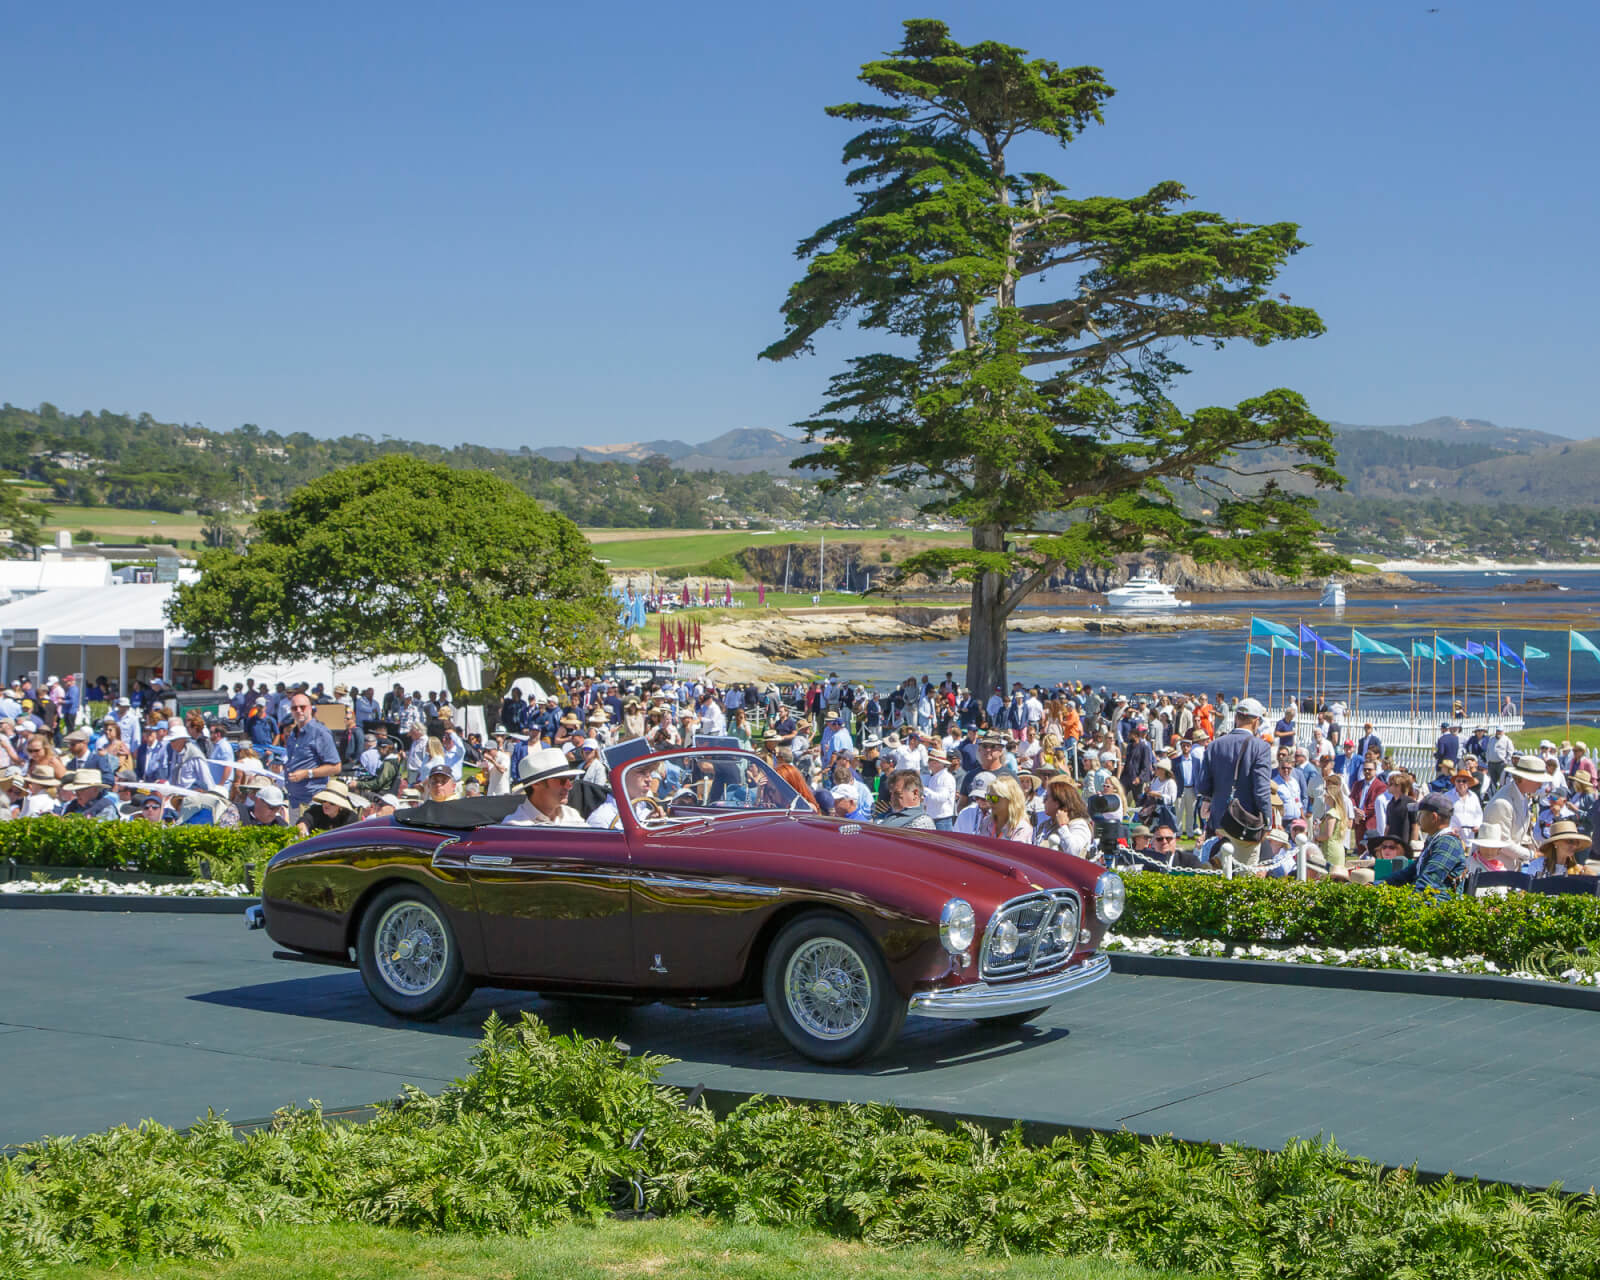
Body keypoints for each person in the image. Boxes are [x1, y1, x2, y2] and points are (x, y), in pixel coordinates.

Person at [1195, 696, 1273, 866]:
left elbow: (1204, 786)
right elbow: (1261, 790)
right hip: (1245, 822)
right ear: (1256, 721)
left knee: (1219, 874)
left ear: (1237, 717)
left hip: (1218, 821)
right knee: (1244, 876)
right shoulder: (1261, 747)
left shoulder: (1215, 745)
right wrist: (1268, 821)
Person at [1381, 791, 1466, 897]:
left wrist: (1402, 900)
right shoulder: (1434, 840)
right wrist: (1378, 885)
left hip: (1438, 907)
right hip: (1424, 903)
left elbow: (1428, 882)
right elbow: (1409, 873)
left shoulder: (1447, 843)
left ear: (1433, 817)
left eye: (1420, 814)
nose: (1417, 818)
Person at [282, 693, 341, 817]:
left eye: (302, 707)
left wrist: (307, 773)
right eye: (294, 708)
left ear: (310, 708)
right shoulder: (293, 734)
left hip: (313, 801)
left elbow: (336, 767)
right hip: (294, 800)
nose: (298, 711)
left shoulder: (320, 732)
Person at [504, 747, 585, 825]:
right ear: (536, 784)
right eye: (562, 780)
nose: (569, 786)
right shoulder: (515, 827)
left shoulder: (573, 816)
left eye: (571, 779)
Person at [1034, 776, 1092, 858]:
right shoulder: (1045, 825)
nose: (1043, 801)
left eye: (1046, 798)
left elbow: (1073, 852)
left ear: (1058, 801)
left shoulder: (1078, 824)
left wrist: (1063, 826)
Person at [1524, 819, 1596, 880]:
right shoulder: (1538, 865)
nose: (1574, 846)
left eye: (1577, 842)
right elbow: (1527, 891)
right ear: (1555, 842)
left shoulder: (1579, 871)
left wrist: (1592, 878)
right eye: (1570, 841)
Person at [979, 774, 1033, 843]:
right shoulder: (986, 822)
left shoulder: (1021, 828)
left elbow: (1015, 853)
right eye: (988, 797)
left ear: (1010, 799)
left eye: (995, 798)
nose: (990, 802)